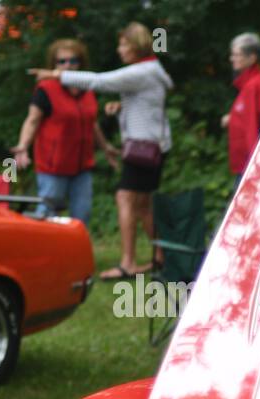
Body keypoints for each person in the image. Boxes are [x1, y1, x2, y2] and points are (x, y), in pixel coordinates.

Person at [30, 22, 173, 279]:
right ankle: (162, 256)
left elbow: (99, 81)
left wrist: (56, 75)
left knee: (125, 199)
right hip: (153, 146)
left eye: (123, 44)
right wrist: (122, 109)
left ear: (136, 46)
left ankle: (128, 263)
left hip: (143, 148)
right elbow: (147, 106)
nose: (119, 49)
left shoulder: (142, 71)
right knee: (142, 205)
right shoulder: (149, 71)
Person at [12, 39, 119, 224]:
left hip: (82, 166)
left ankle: (75, 252)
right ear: (54, 64)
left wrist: (106, 147)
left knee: (82, 215)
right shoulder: (46, 89)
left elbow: (92, 124)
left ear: (81, 63)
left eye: (73, 60)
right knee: (48, 214)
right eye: (62, 61)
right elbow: (32, 120)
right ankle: (45, 252)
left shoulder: (88, 88)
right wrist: (22, 146)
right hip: (53, 165)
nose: (68, 65)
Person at [220, 33, 260, 177]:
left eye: (237, 55)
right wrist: (232, 118)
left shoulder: (255, 86)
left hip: (251, 168)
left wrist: (255, 168)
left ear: (252, 58)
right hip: (247, 165)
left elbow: (255, 126)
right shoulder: (249, 85)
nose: (232, 58)